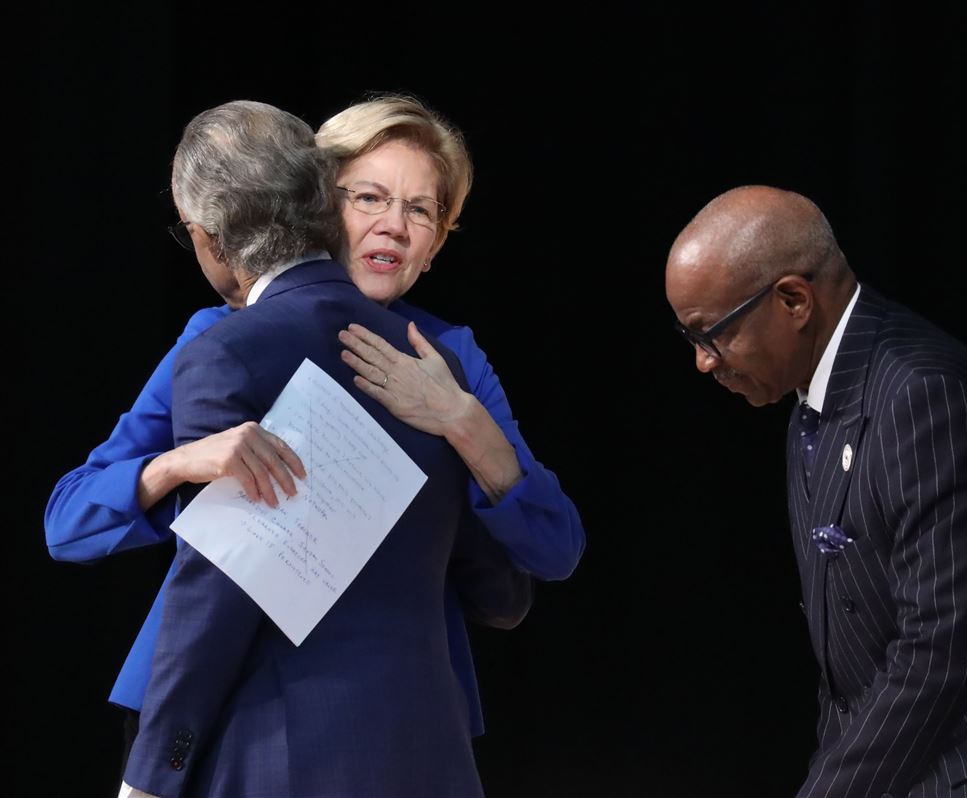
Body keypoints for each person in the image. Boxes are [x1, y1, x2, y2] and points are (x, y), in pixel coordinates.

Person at [45, 93, 585, 764]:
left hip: (385, 715)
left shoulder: (451, 360)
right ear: (318, 206)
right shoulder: (219, 335)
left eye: (421, 209)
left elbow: (553, 549)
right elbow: (69, 518)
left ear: (439, 243)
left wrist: (462, 421)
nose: (394, 226)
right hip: (213, 708)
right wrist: (176, 465)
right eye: (368, 198)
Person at [665, 185, 967, 797]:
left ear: (793, 300)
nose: (705, 362)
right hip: (937, 760)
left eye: (712, 334)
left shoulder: (926, 396)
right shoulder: (812, 405)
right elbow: (851, 669)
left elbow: (940, 648)